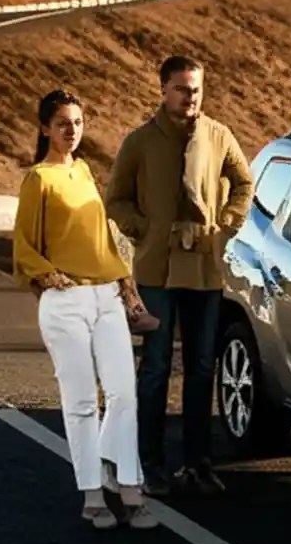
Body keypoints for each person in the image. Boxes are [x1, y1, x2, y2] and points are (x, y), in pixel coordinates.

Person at [105, 55, 254, 496]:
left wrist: (223, 225)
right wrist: (148, 231)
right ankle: (148, 464)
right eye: (183, 89)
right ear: (163, 90)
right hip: (157, 271)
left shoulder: (218, 136)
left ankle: (197, 463)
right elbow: (117, 200)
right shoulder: (140, 142)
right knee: (155, 368)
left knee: (202, 367)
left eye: (197, 89)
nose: (191, 97)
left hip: (204, 270)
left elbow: (244, 183)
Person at [12, 89, 159, 530]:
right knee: (79, 403)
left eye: (76, 122)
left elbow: (102, 240)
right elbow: (23, 245)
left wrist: (124, 285)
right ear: (44, 129)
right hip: (66, 301)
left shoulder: (84, 172)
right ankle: (94, 495)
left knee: (123, 394)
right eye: (61, 123)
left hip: (106, 296)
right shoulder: (39, 179)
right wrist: (49, 276)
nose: (71, 130)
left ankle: (124, 480)